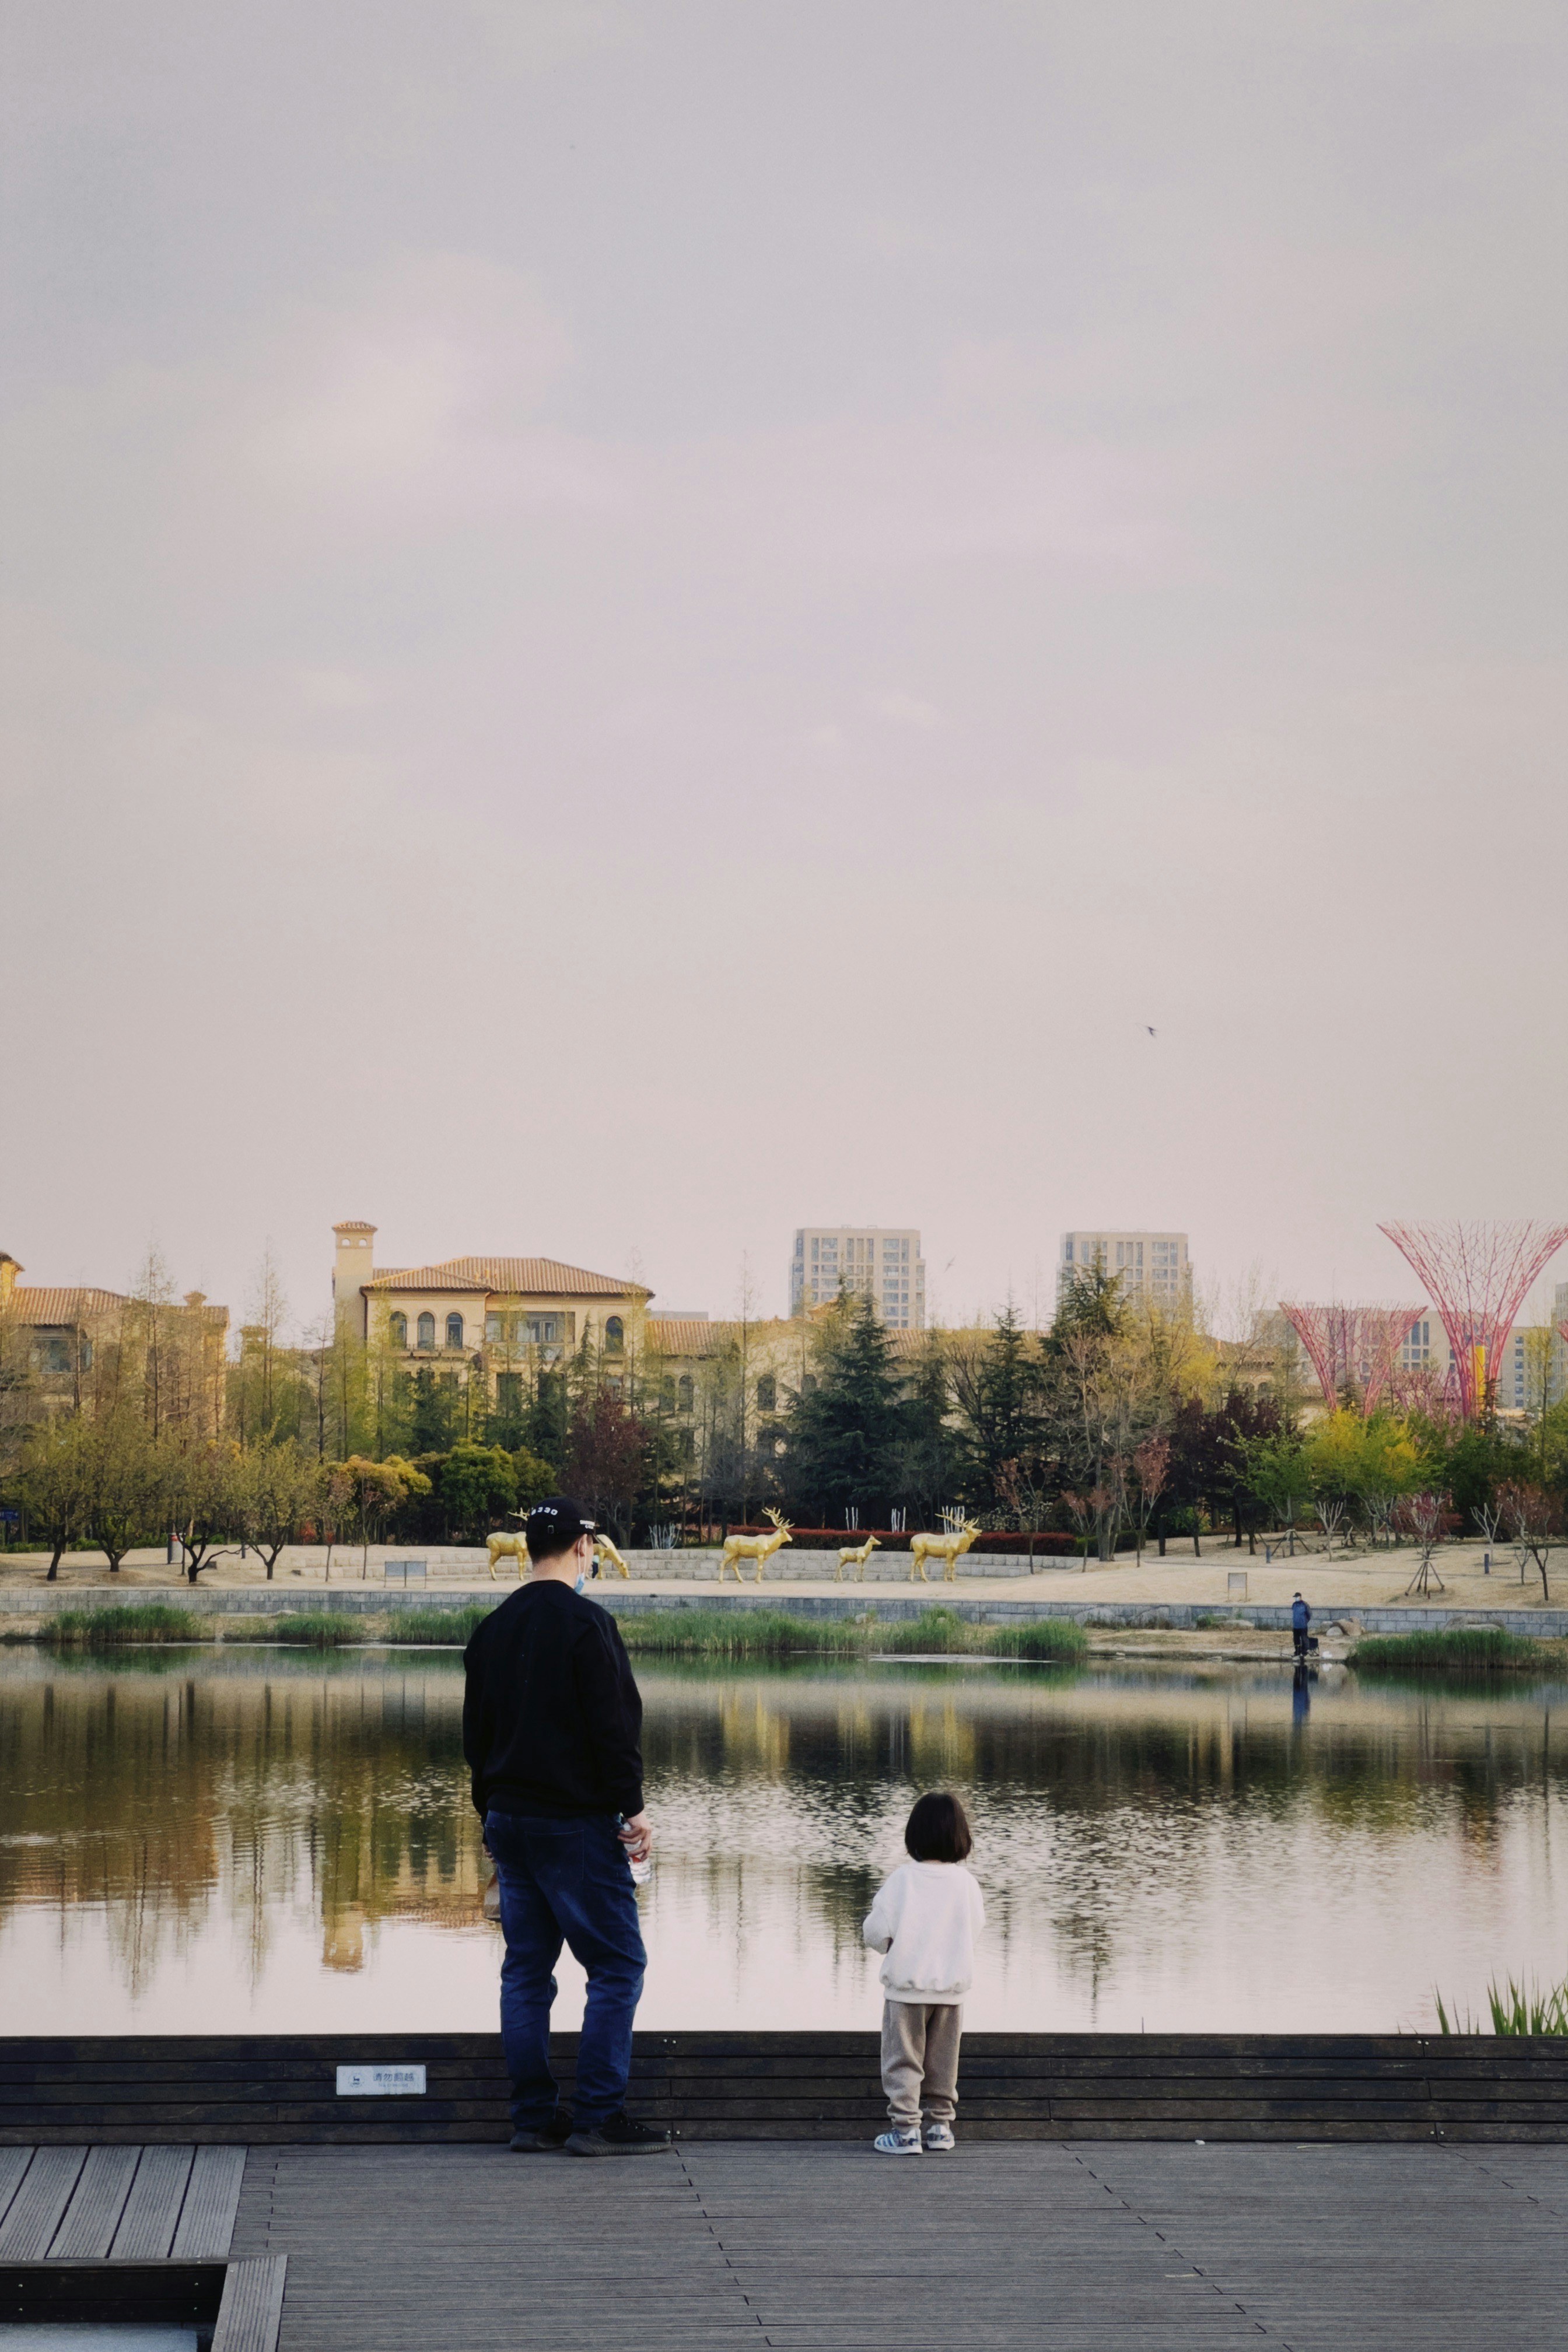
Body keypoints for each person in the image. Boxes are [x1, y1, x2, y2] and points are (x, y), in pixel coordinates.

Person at [462, 1496, 670, 2160]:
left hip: (509, 1819)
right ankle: (598, 2117)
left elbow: (476, 1739)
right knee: (617, 1964)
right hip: (573, 1822)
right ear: (583, 1547)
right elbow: (614, 1730)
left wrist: (490, 1819)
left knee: (526, 1971)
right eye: (593, 1547)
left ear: (529, 1549)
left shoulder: (492, 1629)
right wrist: (632, 1809)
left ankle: (532, 2119)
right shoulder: (589, 1625)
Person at [862, 1791, 985, 2155]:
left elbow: (875, 1932)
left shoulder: (903, 1880)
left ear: (913, 1835)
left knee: (903, 2060)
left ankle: (905, 2131)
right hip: (951, 1991)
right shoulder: (966, 1884)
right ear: (961, 1837)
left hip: (906, 1990)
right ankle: (940, 2128)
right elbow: (974, 1929)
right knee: (944, 2062)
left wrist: (890, 1944)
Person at [1291, 1591, 1312, 1660]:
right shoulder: (1294, 1605)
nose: (1296, 1599)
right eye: (1295, 1597)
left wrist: (1305, 1621)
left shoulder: (1305, 1605)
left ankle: (1305, 1652)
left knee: (1304, 1639)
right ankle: (1297, 1652)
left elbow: (1309, 1614)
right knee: (1296, 1640)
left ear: (1300, 1597)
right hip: (1296, 1626)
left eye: (1296, 1597)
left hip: (1303, 1626)